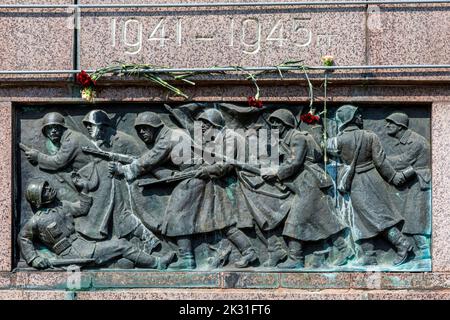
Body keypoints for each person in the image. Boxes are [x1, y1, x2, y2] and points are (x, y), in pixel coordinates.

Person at [161, 109, 258, 269]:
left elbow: (225, 165)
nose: (203, 127)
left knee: (182, 208)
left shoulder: (230, 138)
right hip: (220, 181)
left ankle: (187, 257)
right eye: (202, 123)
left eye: (206, 123)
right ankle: (248, 251)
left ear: (215, 124)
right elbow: (210, 157)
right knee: (224, 222)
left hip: (241, 182)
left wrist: (206, 170)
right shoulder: (217, 138)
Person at [261, 109, 352, 269]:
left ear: (286, 123)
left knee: (295, 219)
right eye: (272, 122)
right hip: (302, 185)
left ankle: (296, 258)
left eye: (277, 122)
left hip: (308, 183)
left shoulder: (297, 137)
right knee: (324, 219)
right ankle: (344, 249)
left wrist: (276, 172)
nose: (274, 125)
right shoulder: (284, 139)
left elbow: (295, 162)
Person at [19, 179, 175, 270]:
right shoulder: (36, 221)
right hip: (72, 254)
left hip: (84, 244)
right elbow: (23, 238)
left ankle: (126, 264)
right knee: (122, 245)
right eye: (44, 190)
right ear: (37, 199)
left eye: (47, 186)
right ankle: (158, 263)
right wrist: (33, 259)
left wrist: (84, 189)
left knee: (123, 261)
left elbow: (82, 208)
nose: (49, 188)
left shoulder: (62, 206)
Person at [328, 105, 413, 265]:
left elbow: (323, 148)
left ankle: (402, 243)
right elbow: (381, 162)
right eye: (357, 115)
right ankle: (369, 255)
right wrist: (394, 177)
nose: (361, 117)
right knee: (365, 218)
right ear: (350, 118)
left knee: (372, 217)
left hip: (356, 182)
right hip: (372, 179)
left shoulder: (337, 141)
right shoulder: (370, 136)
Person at [385, 112, 431, 259]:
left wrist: (379, 158)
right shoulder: (406, 140)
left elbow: (402, 162)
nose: (387, 126)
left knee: (414, 219)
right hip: (413, 180)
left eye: (391, 123)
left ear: (400, 127)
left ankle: (425, 253)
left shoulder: (416, 142)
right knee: (412, 217)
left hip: (420, 182)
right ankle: (423, 252)